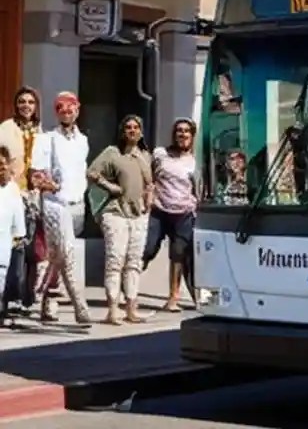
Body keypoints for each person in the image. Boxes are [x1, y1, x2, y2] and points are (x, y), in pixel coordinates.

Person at [29, 91, 91, 326]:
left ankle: (46, 296)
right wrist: (50, 185)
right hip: (55, 204)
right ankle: (79, 306)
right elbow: (36, 174)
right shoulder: (47, 139)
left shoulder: (82, 140)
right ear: (56, 112)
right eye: (61, 108)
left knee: (57, 256)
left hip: (77, 204)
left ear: (77, 109)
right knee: (67, 253)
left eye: (70, 107)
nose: (66, 111)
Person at [87, 115, 153, 325]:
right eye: (128, 127)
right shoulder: (112, 153)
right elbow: (92, 173)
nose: (132, 131)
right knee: (115, 260)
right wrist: (110, 187)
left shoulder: (145, 155)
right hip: (115, 212)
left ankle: (131, 309)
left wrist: (150, 198)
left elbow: (150, 182)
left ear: (141, 132)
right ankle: (112, 310)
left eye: (136, 127)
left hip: (139, 214)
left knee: (134, 262)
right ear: (122, 131)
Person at [144, 118, 197, 312]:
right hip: (159, 210)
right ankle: (127, 290)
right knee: (147, 249)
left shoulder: (194, 161)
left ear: (192, 136)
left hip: (183, 213)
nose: (182, 135)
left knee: (179, 254)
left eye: (186, 132)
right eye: (179, 131)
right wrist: (147, 195)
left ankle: (173, 297)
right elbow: (148, 176)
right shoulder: (160, 154)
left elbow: (198, 188)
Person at [0, 87, 41, 314]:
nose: (26, 106)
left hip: (34, 197)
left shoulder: (40, 131)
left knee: (31, 251)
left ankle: (26, 295)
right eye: (22, 102)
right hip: (10, 193)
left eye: (31, 102)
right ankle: (7, 298)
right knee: (11, 248)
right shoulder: (5, 129)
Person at [0, 147, 26, 321]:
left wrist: (19, 236)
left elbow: (18, 218)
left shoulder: (13, 189)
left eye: (3, 164)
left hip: (4, 243)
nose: (1, 168)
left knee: (2, 278)